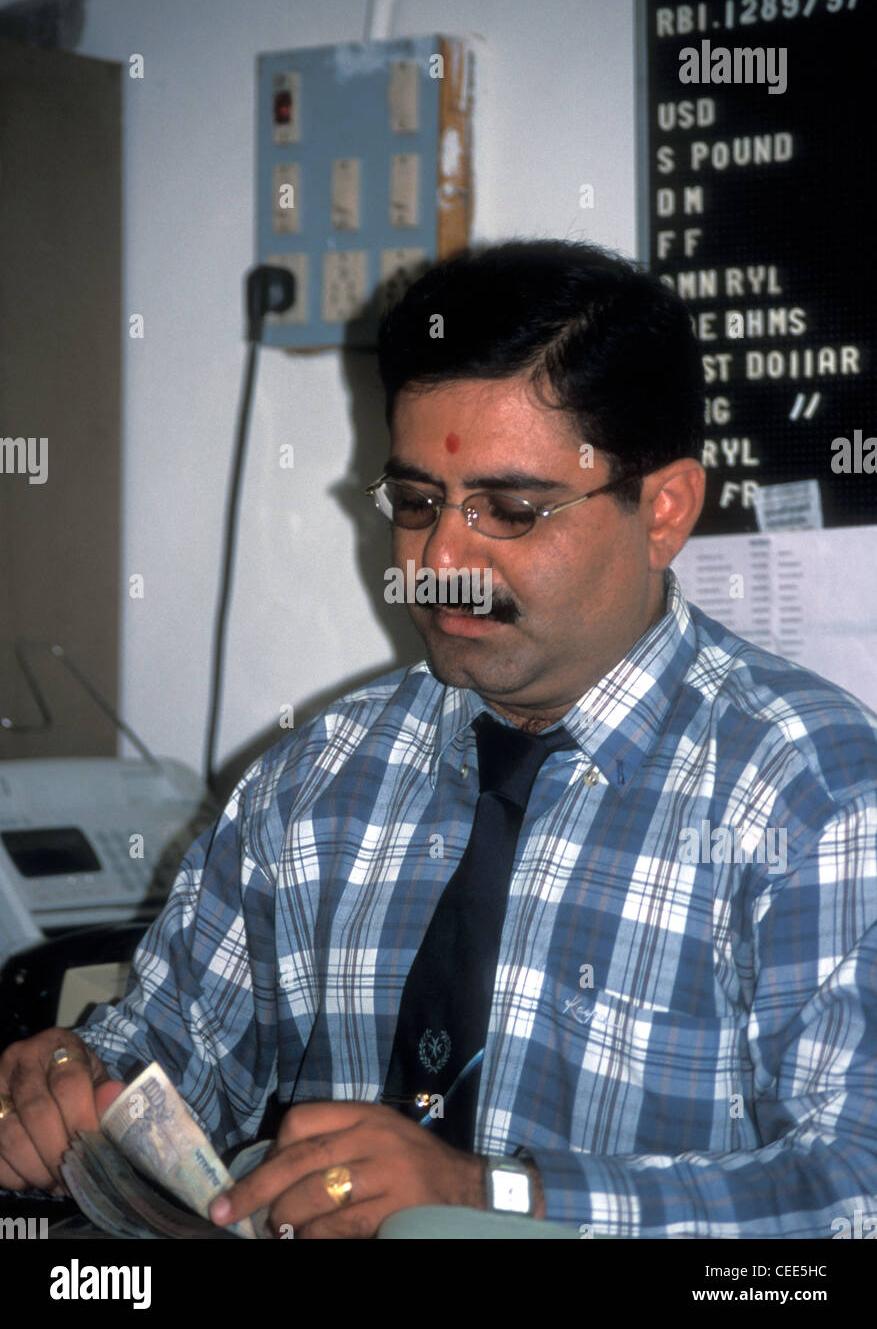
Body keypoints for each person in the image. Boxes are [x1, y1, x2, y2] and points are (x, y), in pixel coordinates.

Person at [1, 239, 876, 1240]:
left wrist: (488, 1194)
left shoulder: (814, 792)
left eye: (510, 510)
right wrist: (71, 1085)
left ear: (663, 511)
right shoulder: (318, 776)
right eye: (417, 504)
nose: (441, 558)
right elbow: (166, 1059)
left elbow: (854, 1183)